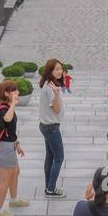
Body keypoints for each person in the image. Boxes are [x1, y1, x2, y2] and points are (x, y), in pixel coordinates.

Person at [0, 80, 27, 216]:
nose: (17, 93)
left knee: (15, 172)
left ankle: (14, 199)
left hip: (9, 145)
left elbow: (8, 130)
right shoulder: (4, 110)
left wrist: (17, 144)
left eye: (17, 90)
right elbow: (7, 119)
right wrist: (13, 105)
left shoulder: (7, 107)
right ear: (6, 93)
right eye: (14, 91)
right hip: (5, 149)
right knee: (5, 179)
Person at [37, 59, 66, 198]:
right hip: (51, 127)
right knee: (59, 158)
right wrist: (57, 94)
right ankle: (51, 189)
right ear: (50, 72)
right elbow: (56, 108)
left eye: (61, 68)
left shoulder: (50, 85)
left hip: (46, 125)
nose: (60, 71)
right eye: (56, 69)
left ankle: (48, 187)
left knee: (50, 157)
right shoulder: (51, 88)